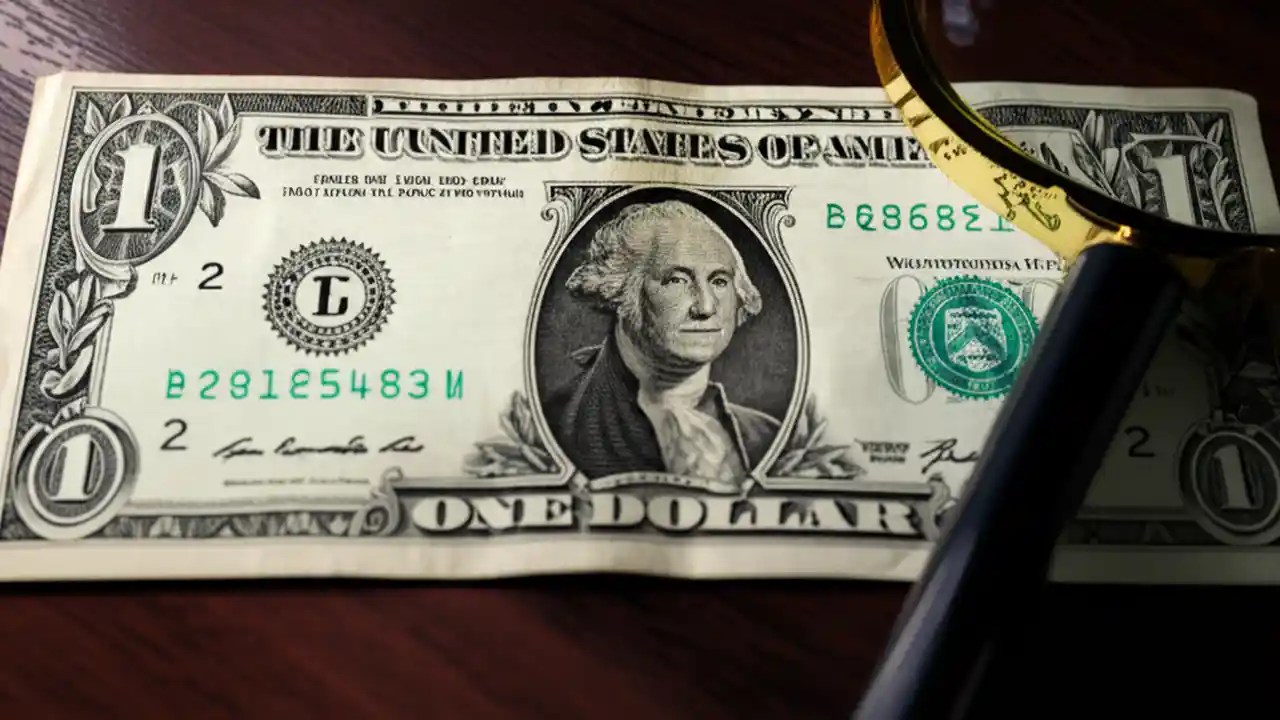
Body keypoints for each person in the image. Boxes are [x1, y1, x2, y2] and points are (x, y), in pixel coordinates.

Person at [541, 199, 780, 482]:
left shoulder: (766, 436)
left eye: (719, 281)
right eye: (676, 280)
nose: (705, 307)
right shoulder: (553, 427)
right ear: (619, 291)